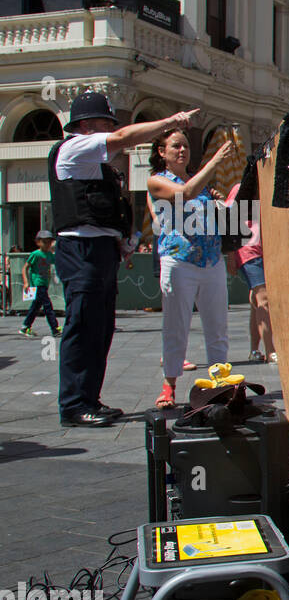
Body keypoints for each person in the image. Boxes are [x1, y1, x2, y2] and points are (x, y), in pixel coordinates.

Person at [49, 93, 196, 426]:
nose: (109, 131)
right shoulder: (74, 147)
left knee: (100, 327)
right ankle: (73, 404)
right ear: (86, 125)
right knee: (82, 324)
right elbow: (121, 138)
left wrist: (124, 240)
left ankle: (89, 398)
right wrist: (170, 122)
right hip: (79, 249)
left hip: (99, 248)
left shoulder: (95, 164)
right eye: (104, 123)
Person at [147, 128, 235, 409]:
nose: (182, 150)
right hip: (179, 260)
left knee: (217, 324)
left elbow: (210, 208)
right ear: (162, 152)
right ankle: (169, 384)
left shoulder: (202, 184)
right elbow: (185, 193)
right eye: (176, 146)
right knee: (176, 325)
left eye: (185, 146)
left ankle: (220, 380)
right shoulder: (157, 181)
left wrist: (221, 203)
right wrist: (214, 162)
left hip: (211, 260)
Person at [231, 220, 276, 363]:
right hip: (249, 249)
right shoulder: (240, 197)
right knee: (264, 298)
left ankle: (254, 350)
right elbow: (231, 220)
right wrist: (231, 256)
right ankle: (271, 351)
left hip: (268, 248)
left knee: (257, 301)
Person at [19, 231, 60, 339]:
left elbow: (57, 263)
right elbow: (25, 268)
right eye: (44, 242)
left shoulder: (49, 255)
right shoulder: (35, 254)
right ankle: (55, 328)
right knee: (47, 306)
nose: (47, 244)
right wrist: (26, 282)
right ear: (38, 242)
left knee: (35, 307)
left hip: (44, 284)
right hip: (37, 284)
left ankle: (25, 326)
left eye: (49, 242)